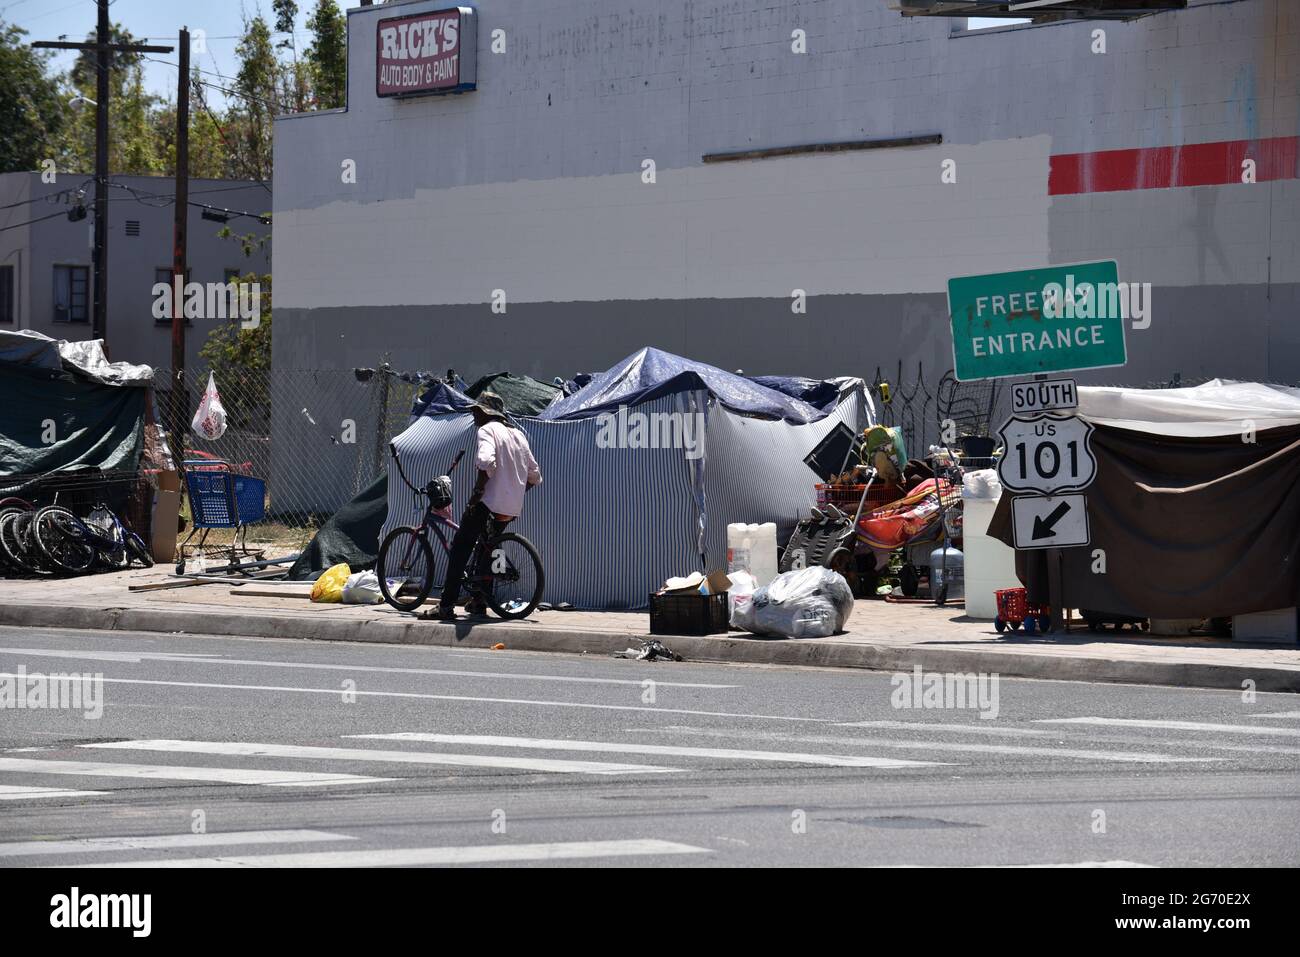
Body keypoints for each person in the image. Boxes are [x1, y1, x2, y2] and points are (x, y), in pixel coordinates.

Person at [437, 391, 542, 620]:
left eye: (476, 412)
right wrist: (513, 492)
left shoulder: (487, 430)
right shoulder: (518, 436)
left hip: (487, 503)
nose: (474, 417)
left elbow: (486, 462)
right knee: (489, 548)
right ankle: (479, 601)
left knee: (461, 547)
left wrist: (476, 495)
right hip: (510, 507)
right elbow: (535, 476)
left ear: (485, 412)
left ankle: (445, 606)